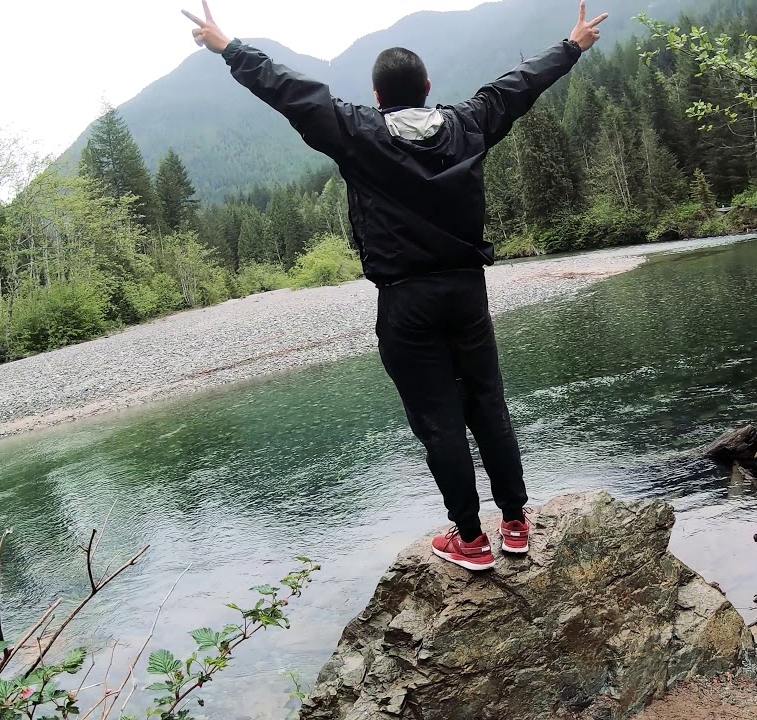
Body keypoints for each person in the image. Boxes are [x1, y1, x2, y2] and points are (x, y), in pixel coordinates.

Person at [184, 1, 608, 571]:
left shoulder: (358, 132)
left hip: (405, 303)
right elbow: (518, 87)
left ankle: (470, 539)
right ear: (428, 87)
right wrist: (572, 45)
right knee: (488, 405)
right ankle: (514, 524)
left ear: (378, 96)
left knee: (439, 419)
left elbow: (288, 90)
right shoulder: (468, 124)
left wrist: (229, 48)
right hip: (467, 294)